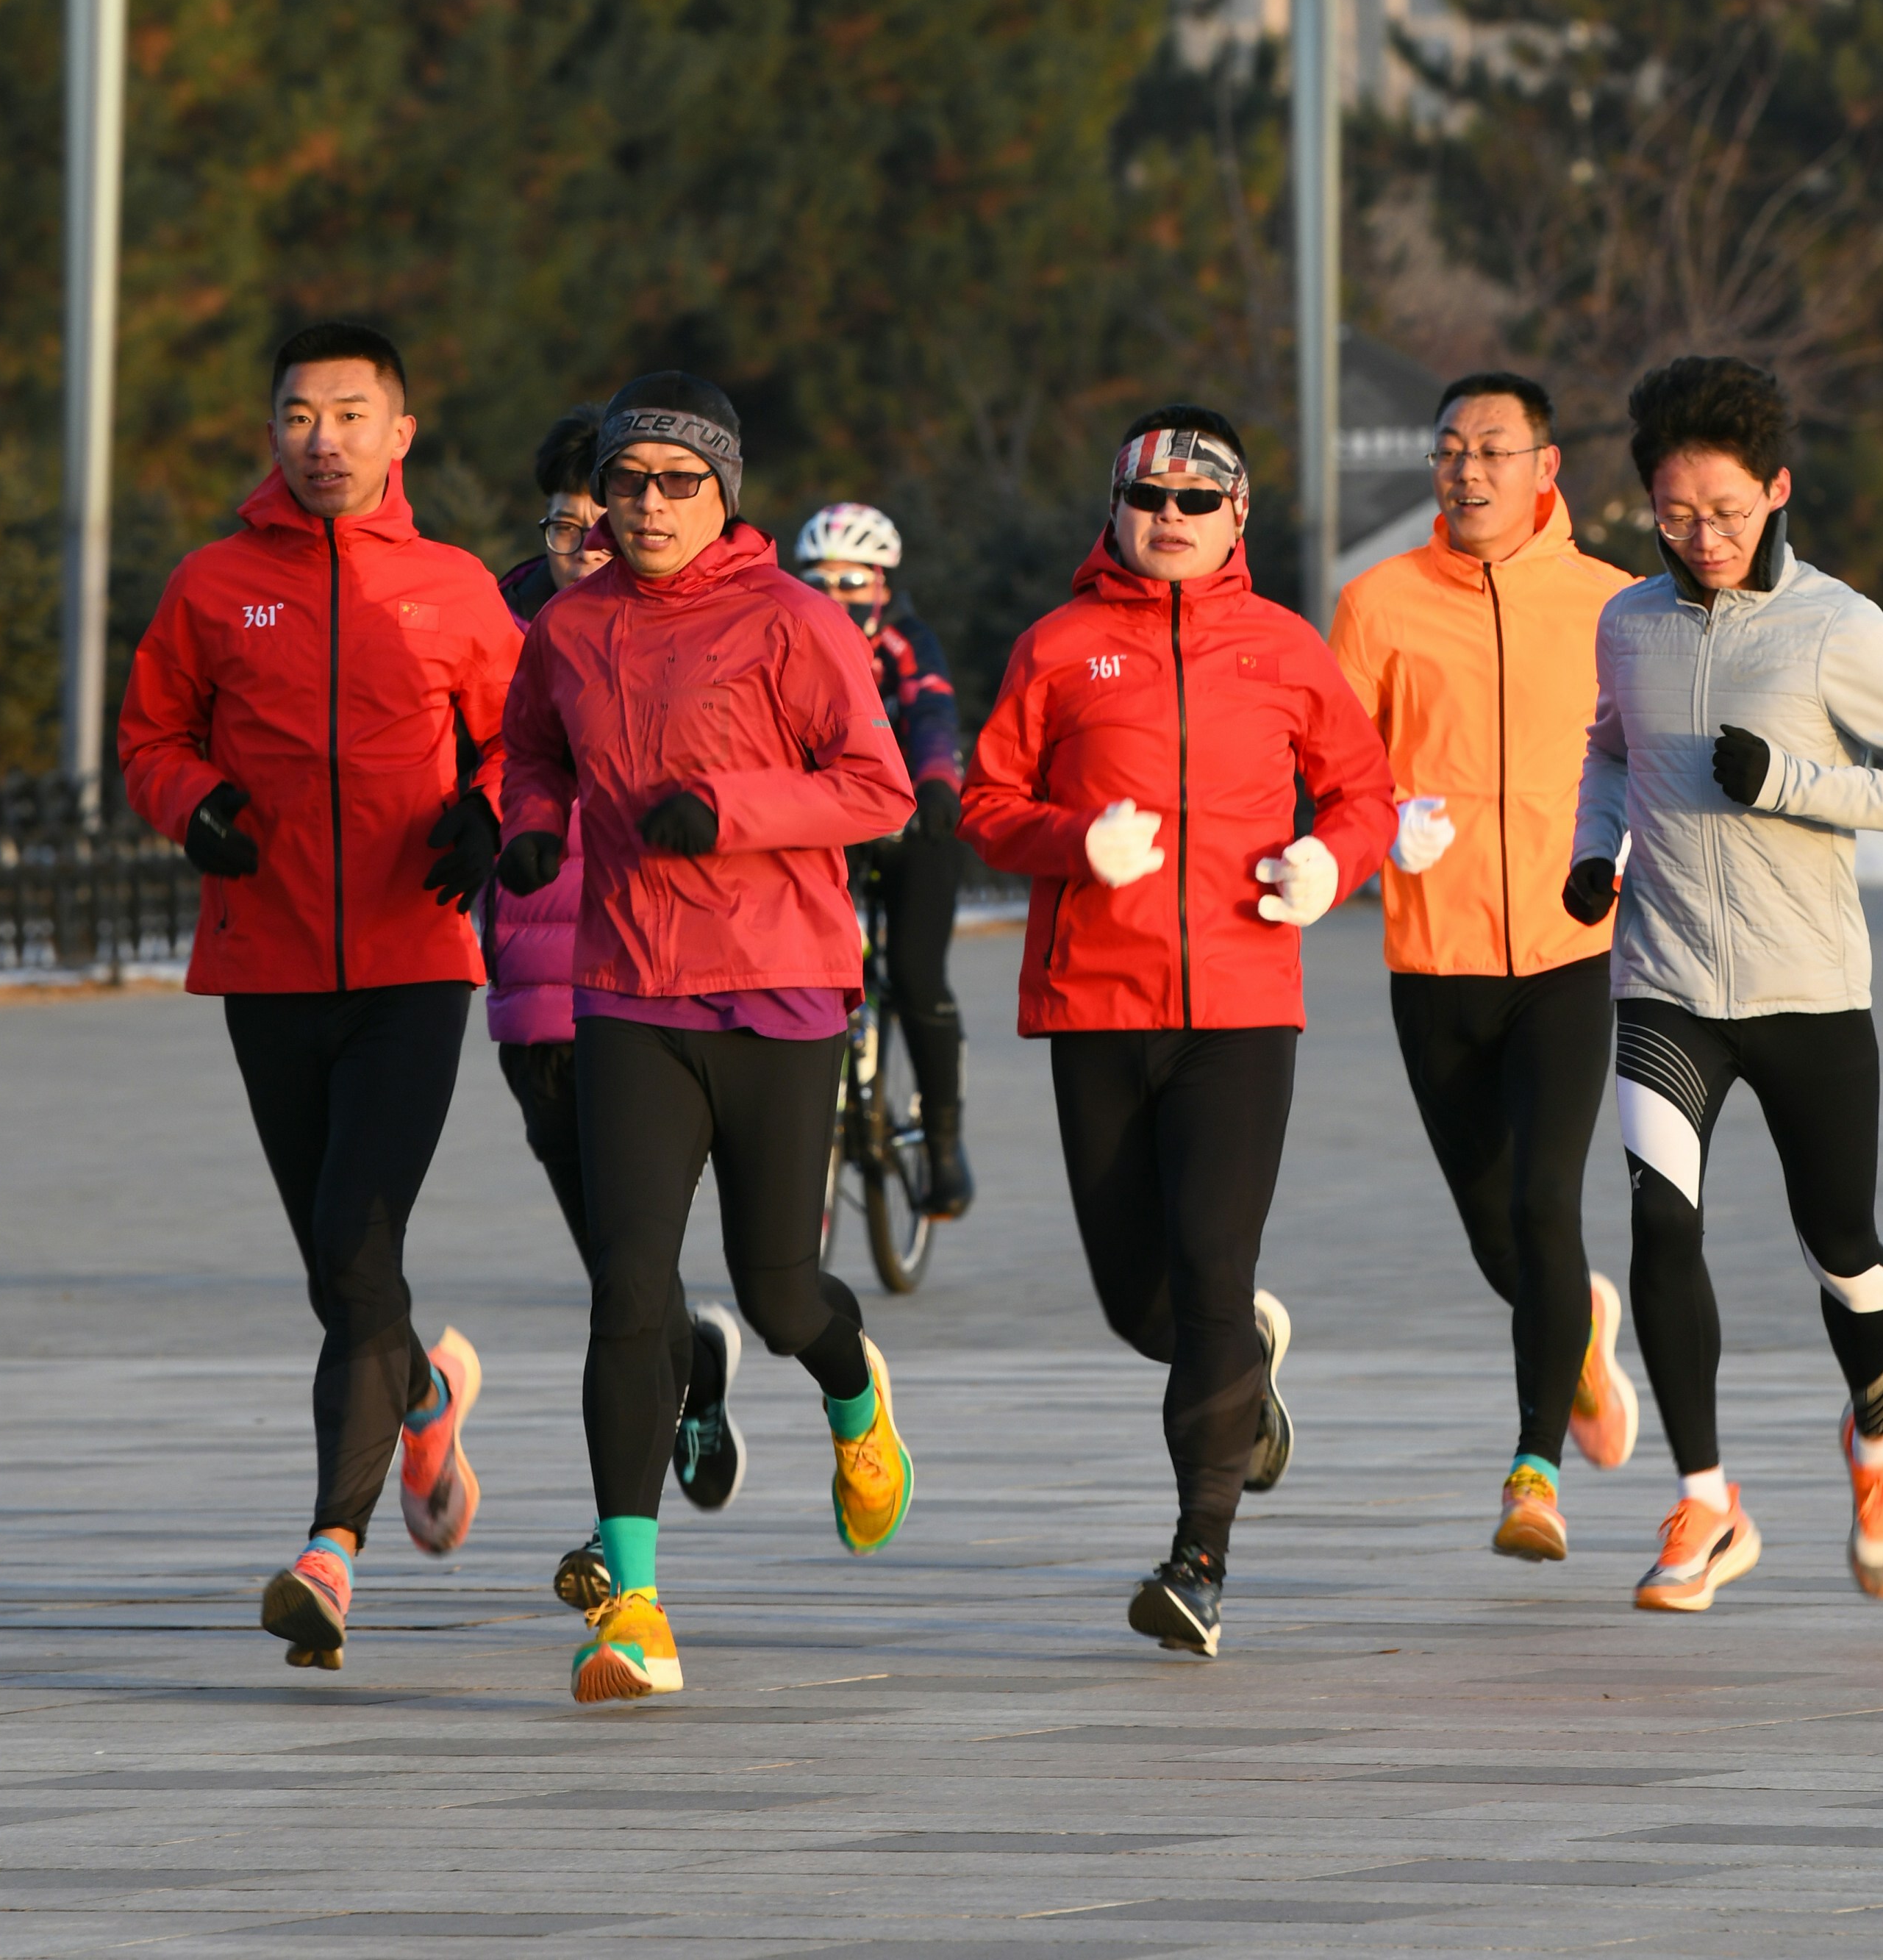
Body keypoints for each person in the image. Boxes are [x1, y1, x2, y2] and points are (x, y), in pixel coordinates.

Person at [498, 373, 921, 1705]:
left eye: (678, 481)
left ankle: (853, 1394)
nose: (648, 505)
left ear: (723, 490)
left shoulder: (793, 620)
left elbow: (878, 788)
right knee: (630, 1290)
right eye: (628, 481)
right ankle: (633, 1602)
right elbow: (536, 753)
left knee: (777, 1284)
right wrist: (530, 826)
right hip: (625, 987)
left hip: (781, 986)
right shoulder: (567, 626)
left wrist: (725, 811)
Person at [962, 403, 1396, 1659]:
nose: (1170, 519)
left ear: (1236, 517)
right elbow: (984, 799)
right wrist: (1064, 839)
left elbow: (1363, 789)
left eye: (1196, 503)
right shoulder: (1056, 646)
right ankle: (1240, 1361)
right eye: (1149, 499)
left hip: (1242, 1007)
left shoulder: (1285, 649)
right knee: (1137, 1300)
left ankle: (1197, 1556)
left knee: (1210, 1266)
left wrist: (1332, 857)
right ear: (1114, 509)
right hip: (1094, 999)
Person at [118, 321, 520, 1671]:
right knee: (336, 1267)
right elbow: (149, 735)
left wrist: (492, 812)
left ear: (401, 433)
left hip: (417, 957)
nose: (324, 438)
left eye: (352, 412)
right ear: (271, 430)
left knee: (358, 1241)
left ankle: (328, 1552)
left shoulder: (459, 587)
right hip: (268, 957)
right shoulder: (213, 584)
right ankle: (424, 1389)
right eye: (300, 413)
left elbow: (530, 739)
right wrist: (196, 802)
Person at [1562, 353, 1883, 1617]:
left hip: (1806, 992)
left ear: (1777, 488)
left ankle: (1875, 1448)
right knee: (1658, 1223)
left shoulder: (1838, 627)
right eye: (1677, 513)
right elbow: (1608, 749)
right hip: (1666, 983)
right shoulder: (1626, 619)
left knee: (1840, 1247)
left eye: (1729, 511)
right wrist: (1594, 854)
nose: (1703, 536)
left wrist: (1791, 780)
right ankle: (1704, 1497)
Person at [1330, 370, 1640, 1568]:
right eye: (1451, 447)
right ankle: (1576, 1332)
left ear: (1544, 467)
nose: (1467, 468)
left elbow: (1655, 759)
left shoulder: (1615, 604)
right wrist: (1375, 823)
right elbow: (1336, 764)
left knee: (1542, 1202)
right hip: (1435, 953)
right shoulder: (1376, 602)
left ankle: (1533, 1470)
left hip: (1571, 946)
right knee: (1490, 1229)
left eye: (1493, 448)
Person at [482, 413, 745, 1608]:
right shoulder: (499, 618)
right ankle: (693, 1359)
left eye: (610, 514)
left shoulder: (696, 621)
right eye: (567, 520)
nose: (592, 538)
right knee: (613, 1262)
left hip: (655, 982)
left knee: (627, 1276)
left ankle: (617, 1541)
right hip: (537, 994)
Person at [793, 502, 973, 1215]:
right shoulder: (791, 636)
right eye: (819, 581)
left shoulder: (905, 641)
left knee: (916, 976)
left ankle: (943, 1142)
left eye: (850, 582)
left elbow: (929, 713)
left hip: (912, 824)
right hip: (828, 828)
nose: (834, 597)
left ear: (879, 584)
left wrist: (934, 785)